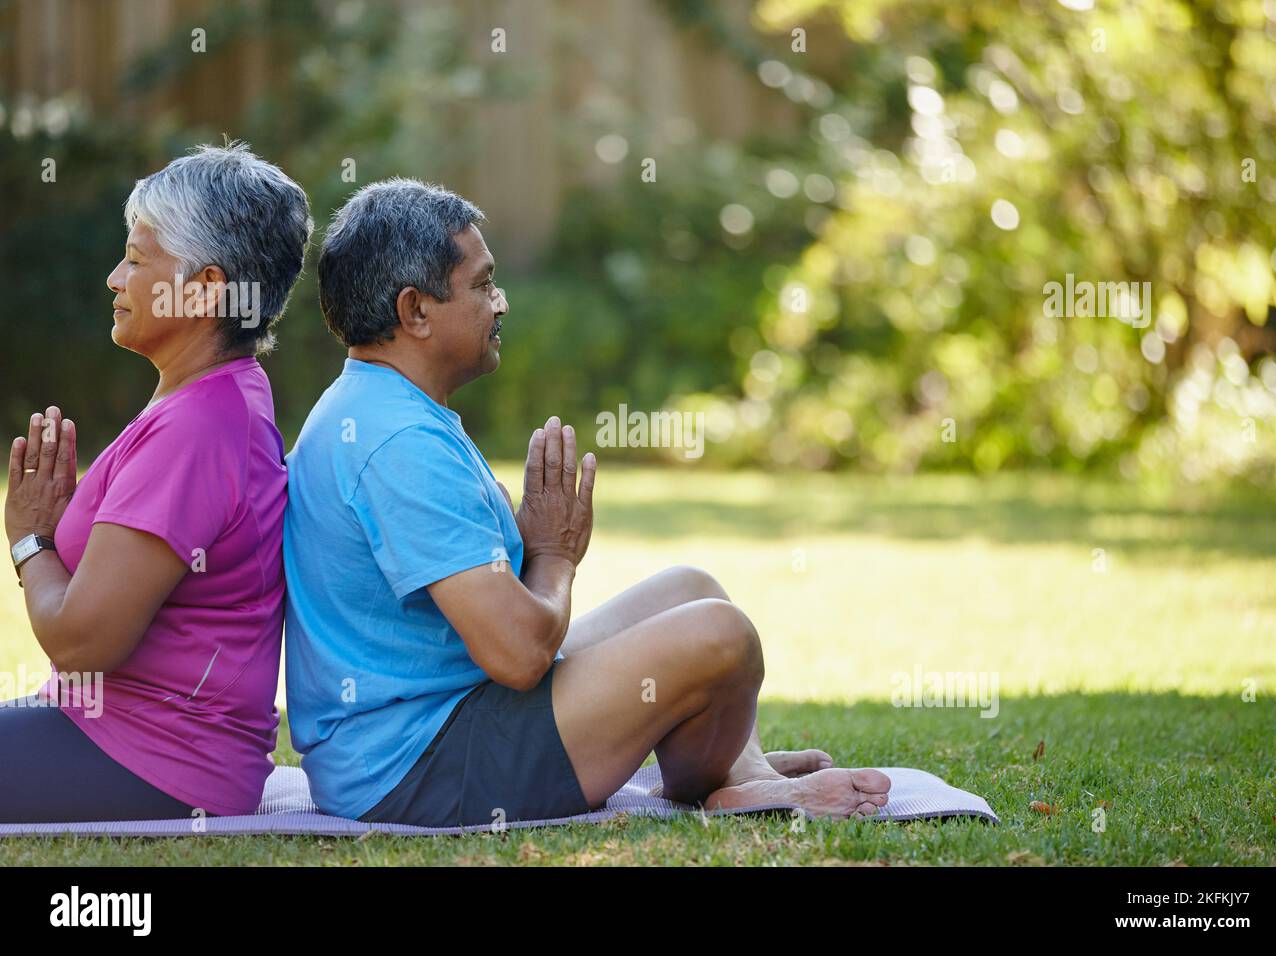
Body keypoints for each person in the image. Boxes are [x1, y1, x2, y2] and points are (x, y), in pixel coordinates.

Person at [284, 178, 890, 827]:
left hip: (451, 721)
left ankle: (744, 776)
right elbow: (518, 657)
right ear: (415, 311)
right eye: (484, 285)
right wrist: (552, 555)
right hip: (420, 770)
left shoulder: (381, 407)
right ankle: (725, 783)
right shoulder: (395, 441)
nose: (502, 302)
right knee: (724, 636)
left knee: (691, 589)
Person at [0, 142, 312, 822]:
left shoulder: (198, 430)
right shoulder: (212, 399)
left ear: (203, 286)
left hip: (157, 761)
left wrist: (30, 542)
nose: (115, 278)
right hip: (118, 737)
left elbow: (84, 643)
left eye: (138, 260)